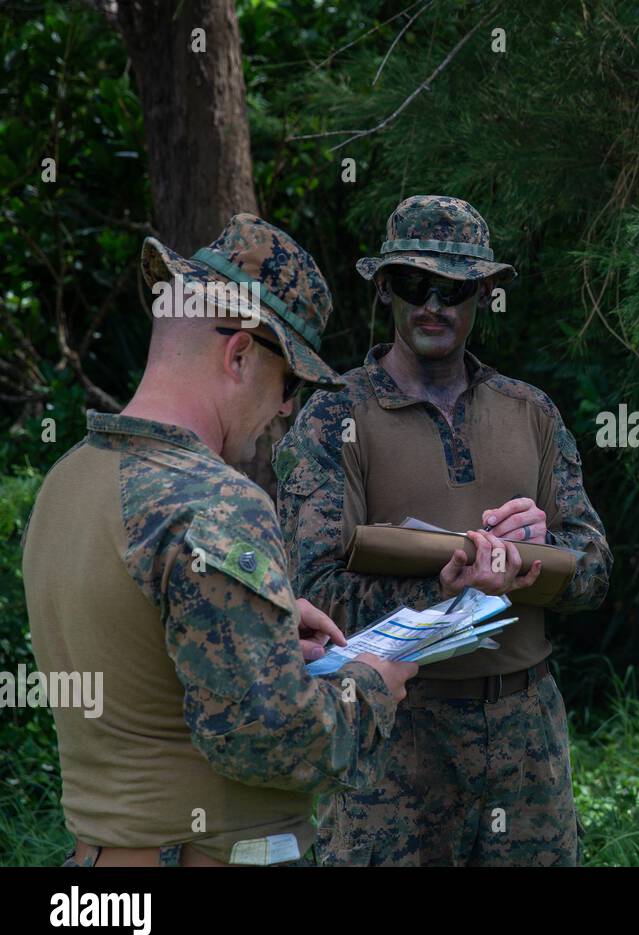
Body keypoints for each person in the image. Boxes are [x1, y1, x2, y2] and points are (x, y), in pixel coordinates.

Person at [24, 214, 416, 867]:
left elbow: (135, 654)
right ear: (238, 355)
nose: (287, 408)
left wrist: (267, 626)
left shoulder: (67, 481)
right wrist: (374, 681)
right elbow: (274, 740)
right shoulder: (217, 502)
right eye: (288, 381)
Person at [276, 195, 611, 866]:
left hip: (525, 736)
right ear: (384, 289)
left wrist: (535, 560)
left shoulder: (531, 413)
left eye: (453, 288)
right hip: (394, 731)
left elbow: (596, 573)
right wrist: (443, 585)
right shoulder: (334, 417)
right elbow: (310, 597)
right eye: (413, 284)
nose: (433, 304)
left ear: (483, 294)